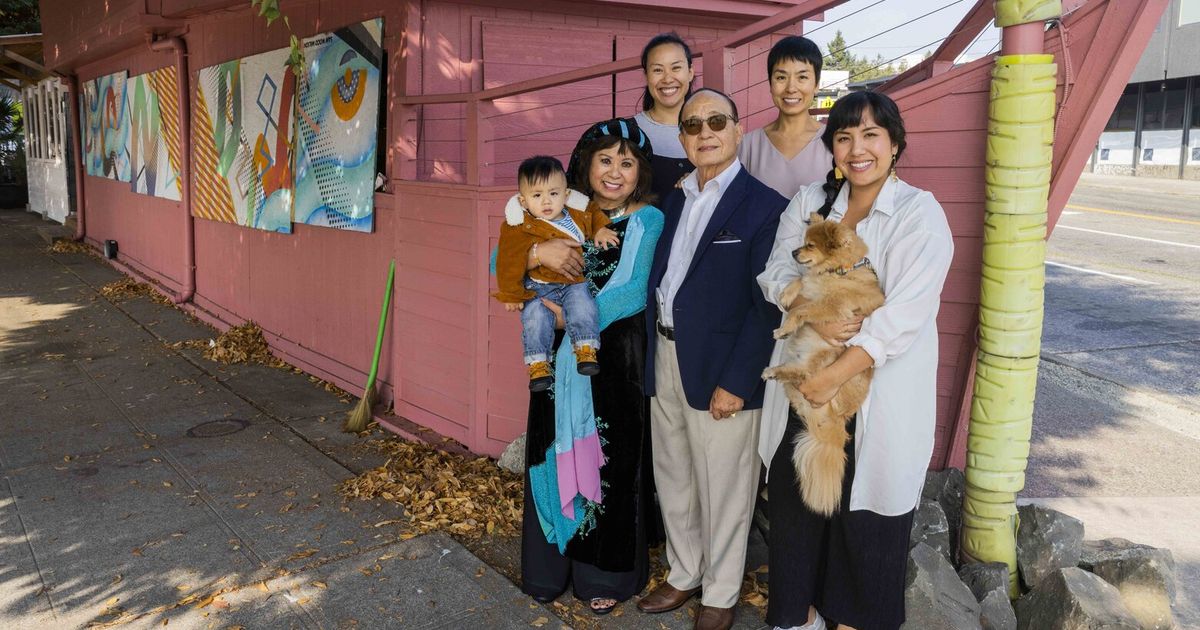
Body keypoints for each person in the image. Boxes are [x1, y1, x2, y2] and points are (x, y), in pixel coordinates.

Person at [756, 91, 954, 630]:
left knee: (865, 523)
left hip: (872, 395)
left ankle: (851, 621)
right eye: (844, 136)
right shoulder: (811, 204)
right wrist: (813, 315)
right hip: (808, 382)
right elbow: (775, 271)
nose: (856, 148)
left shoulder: (917, 213)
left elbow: (906, 313)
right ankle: (800, 617)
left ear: (895, 144)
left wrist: (832, 379)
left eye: (870, 135)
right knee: (798, 513)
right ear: (832, 148)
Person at [639, 88, 787, 630]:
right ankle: (684, 573)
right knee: (673, 473)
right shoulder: (675, 198)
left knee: (725, 487)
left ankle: (720, 593)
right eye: (693, 125)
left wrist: (738, 382)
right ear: (682, 138)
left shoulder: (765, 205)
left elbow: (767, 307)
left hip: (724, 368)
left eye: (716, 121)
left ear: (737, 129)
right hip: (667, 353)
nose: (705, 132)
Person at [518, 119, 666, 617]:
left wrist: (567, 316)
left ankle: (603, 572)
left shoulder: (646, 220)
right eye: (606, 160)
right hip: (552, 361)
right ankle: (549, 566)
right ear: (586, 163)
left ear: (640, 171)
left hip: (608, 362)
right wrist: (535, 252)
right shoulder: (557, 209)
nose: (615, 172)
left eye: (627, 163)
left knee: (610, 461)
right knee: (549, 445)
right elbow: (506, 264)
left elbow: (630, 289)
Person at [493, 156, 619, 390]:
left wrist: (600, 229)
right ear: (523, 200)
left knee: (583, 305)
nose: (546, 202)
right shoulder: (519, 225)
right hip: (539, 287)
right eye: (537, 195)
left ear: (566, 194)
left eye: (553, 193)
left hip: (573, 282)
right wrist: (511, 294)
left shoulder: (578, 214)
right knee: (535, 318)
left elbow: (593, 213)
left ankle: (585, 348)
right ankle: (538, 364)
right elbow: (506, 260)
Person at [738, 36, 832, 200]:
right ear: (770, 84)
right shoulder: (747, 146)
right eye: (781, 77)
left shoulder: (834, 142)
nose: (791, 88)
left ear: (816, 84)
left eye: (802, 77)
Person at [635, 32, 695, 203]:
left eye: (676, 68)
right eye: (658, 70)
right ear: (646, 76)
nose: (668, 78)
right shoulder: (629, 133)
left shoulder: (711, 133)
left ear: (690, 72)